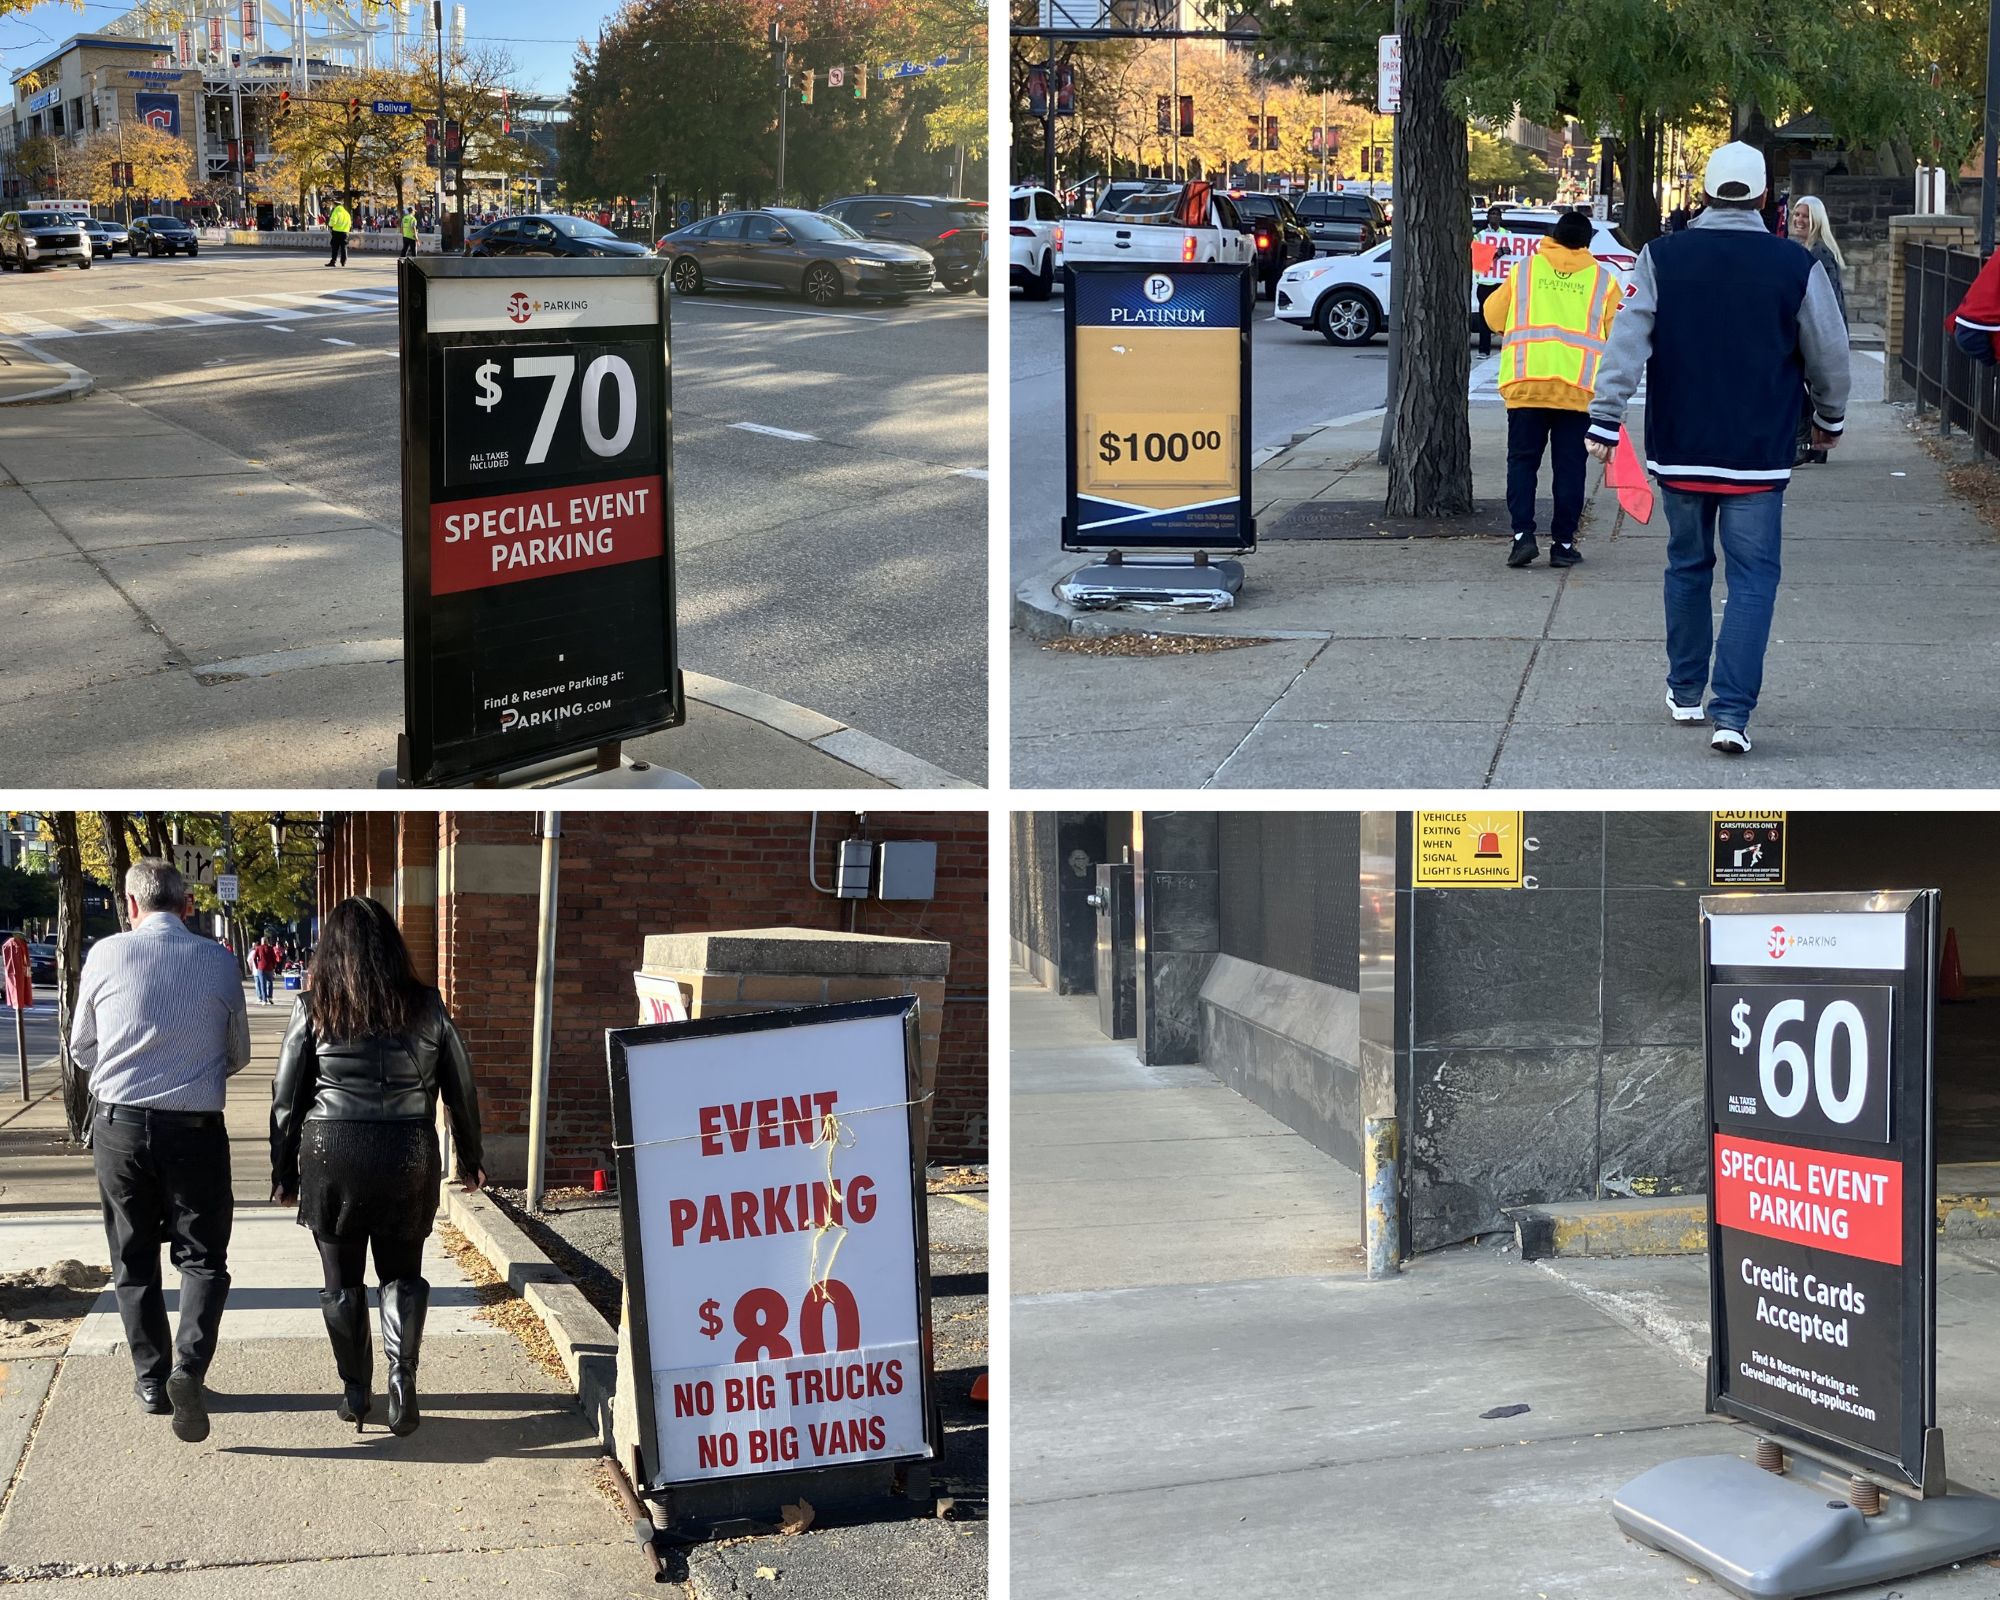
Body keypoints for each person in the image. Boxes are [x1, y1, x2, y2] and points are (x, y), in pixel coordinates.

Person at [1585, 141, 1850, 756]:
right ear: (1763, 197)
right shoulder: (1794, 265)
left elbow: (1628, 341)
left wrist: (1604, 418)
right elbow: (1829, 356)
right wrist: (1829, 420)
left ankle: (1684, 690)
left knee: (1686, 565)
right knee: (1754, 577)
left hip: (1681, 444)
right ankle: (1732, 714)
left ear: (1704, 193)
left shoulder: (1662, 257)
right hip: (1759, 449)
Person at [271, 897, 484, 1436]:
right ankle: (402, 1378)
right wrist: (471, 1157)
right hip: (406, 1152)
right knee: (402, 1272)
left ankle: (354, 1390)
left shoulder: (314, 1007)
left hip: (332, 1152)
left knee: (341, 1282)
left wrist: (283, 1171)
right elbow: (462, 1088)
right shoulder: (428, 1006)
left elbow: (286, 1098)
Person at [73, 859, 251, 1444]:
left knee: (133, 1253)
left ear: (130, 905)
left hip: (120, 1126)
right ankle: (188, 1369)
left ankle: (151, 1380)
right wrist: (191, 1073)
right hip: (196, 1128)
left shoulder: (103, 955)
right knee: (203, 1256)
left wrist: (127, 1077)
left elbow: (82, 1047)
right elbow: (238, 1052)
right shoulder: (221, 962)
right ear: (188, 904)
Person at [1486, 210, 1621, 570]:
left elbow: (1492, 317)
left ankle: (1522, 537)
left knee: (1522, 463)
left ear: (1553, 236)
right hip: (1577, 392)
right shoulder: (1604, 282)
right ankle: (1562, 544)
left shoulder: (1526, 271)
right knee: (1570, 470)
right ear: (1587, 243)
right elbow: (1617, 336)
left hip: (1527, 385)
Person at [1788, 194, 1848, 465]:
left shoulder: (1819, 253)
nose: (1799, 220)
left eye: (1805, 216)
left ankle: (1806, 442)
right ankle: (1816, 445)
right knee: (1809, 387)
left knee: (1803, 386)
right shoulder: (1803, 249)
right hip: (1811, 328)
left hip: (1818, 330)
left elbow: (1827, 300)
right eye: (1797, 215)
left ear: (1817, 221)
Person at [1473, 202, 1509, 358]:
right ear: (1487, 217)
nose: (1494, 216)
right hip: (1485, 282)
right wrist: (1497, 253)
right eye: (1491, 214)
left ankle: (1506, 347)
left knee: (1505, 316)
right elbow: (1479, 260)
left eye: (1497, 214)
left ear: (1501, 218)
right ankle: (1484, 349)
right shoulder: (1480, 236)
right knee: (1484, 317)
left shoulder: (1508, 235)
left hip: (1502, 282)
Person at [250, 935, 278, 1006]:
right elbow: (274, 958)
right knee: (270, 982)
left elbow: (254, 958)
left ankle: (264, 999)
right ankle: (270, 997)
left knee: (263, 984)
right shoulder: (270, 948)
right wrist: (274, 966)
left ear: (261, 942)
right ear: (267, 941)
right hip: (269, 968)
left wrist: (257, 965)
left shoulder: (258, 948)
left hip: (261, 968)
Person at [326, 198, 352, 267]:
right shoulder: (346, 213)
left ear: (335, 205)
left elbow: (332, 222)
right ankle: (343, 262)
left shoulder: (336, 211)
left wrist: (330, 226)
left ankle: (333, 261)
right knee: (344, 247)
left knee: (335, 247)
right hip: (345, 232)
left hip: (337, 232)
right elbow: (349, 223)